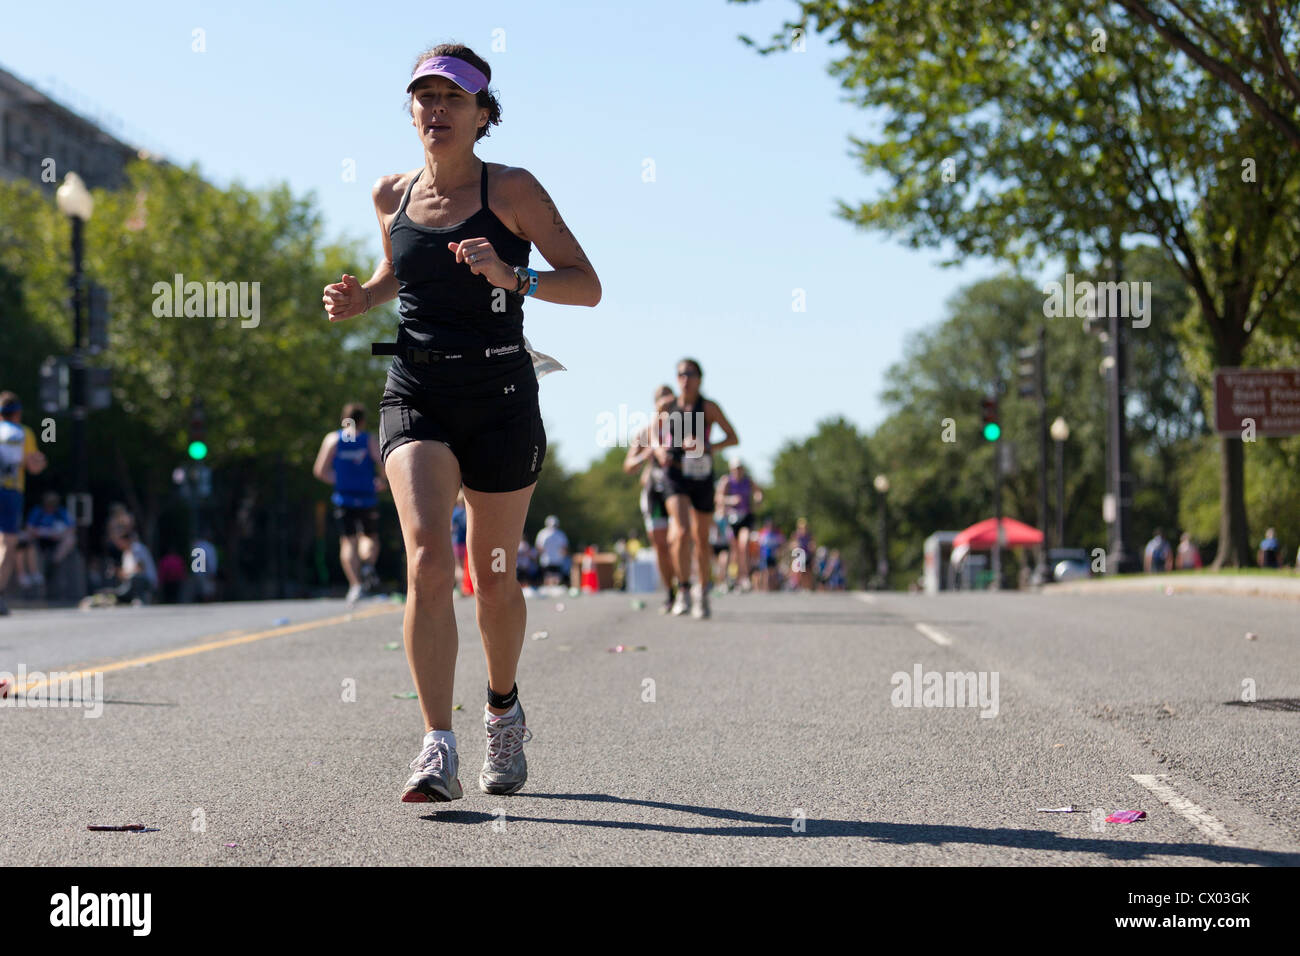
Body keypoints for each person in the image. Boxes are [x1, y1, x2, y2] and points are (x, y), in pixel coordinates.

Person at [321, 44, 600, 803]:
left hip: (501, 395)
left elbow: (588, 286)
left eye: (453, 98)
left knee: (495, 576)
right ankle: (436, 744)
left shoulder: (512, 190)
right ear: (411, 110)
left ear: (483, 115)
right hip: (416, 390)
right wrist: (362, 298)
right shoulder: (390, 193)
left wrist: (515, 276)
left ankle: (502, 711)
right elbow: (396, 275)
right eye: (426, 97)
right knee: (426, 561)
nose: (437, 110)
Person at [653, 358, 738, 619]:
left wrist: (707, 446)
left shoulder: (709, 407)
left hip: (701, 474)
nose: (685, 379)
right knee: (681, 532)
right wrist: (660, 451)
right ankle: (683, 590)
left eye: (690, 374)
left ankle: (703, 591)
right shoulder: (667, 406)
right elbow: (653, 435)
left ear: (700, 379)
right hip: (675, 473)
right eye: (681, 374)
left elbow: (733, 437)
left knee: (701, 539)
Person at [313, 403, 386, 605]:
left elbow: (320, 470)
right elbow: (383, 463)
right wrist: (380, 481)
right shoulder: (368, 439)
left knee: (348, 541)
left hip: (344, 498)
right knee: (370, 537)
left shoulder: (333, 439)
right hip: (367, 496)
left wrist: (341, 480)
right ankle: (368, 565)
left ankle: (355, 585)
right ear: (362, 420)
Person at [623, 385, 678, 613]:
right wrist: (646, 455)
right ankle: (671, 592)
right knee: (660, 545)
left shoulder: (681, 428)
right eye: (661, 401)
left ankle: (684, 584)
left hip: (678, 490)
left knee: (678, 540)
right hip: (655, 493)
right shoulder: (645, 433)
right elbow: (628, 466)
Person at [0, 393, 48, 615]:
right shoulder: (23, 433)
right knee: (7, 543)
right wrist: (41, 461)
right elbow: (34, 466)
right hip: (10, 491)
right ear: (18, 413)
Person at [717, 459, 762, 592]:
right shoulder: (726, 481)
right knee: (734, 550)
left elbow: (758, 492)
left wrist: (758, 498)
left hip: (745, 517)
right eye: (736, 468)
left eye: (740, 468)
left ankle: (745, 577)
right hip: (731, 518)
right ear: (731, 469)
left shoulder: (748, 480)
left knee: (744, 544)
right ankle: (733, 577)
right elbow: (718, 498)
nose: (738, 471)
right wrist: (731, 500)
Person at [21, 491, 76, 597]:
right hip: (39, 539)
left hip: (56, 540)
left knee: (71, 539)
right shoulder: (37, 511)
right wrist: (39, 532)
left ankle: (54, 562)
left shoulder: (61, 512)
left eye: (53, 503)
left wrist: (59, 534)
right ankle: (31, 573)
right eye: (49, 503)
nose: (51, 505)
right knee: (26, 538)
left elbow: (72, 528)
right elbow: (29, 528)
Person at [534, 515, 571, 586]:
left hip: (547, 560)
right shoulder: (560, 534)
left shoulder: (542, 533)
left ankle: (549, 588)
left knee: (548, 577)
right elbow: (564, 548)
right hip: (556, 559)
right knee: (555, 577)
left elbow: (539, 547)